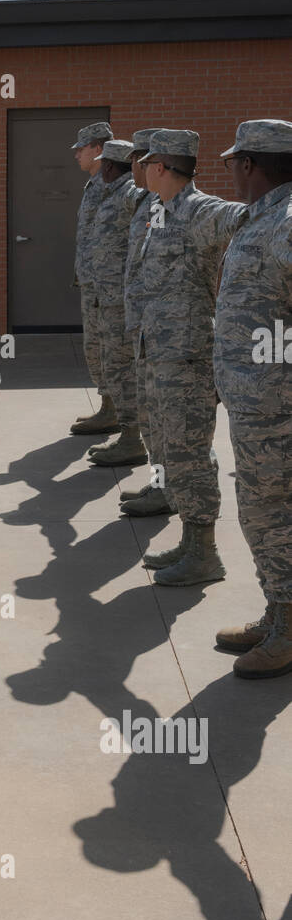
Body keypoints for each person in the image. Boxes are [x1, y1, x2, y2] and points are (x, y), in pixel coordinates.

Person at [135, 129, 246, 586]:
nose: (142, 169)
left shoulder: (200, 210)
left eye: (147, 162)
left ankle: (205, 553)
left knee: (191, 453)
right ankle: (189, 539)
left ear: (161, 167)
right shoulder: (160, 211)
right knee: (172, 451)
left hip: (187, 357)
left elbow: (248, 214)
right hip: (160, 353)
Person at [213, 120, 292, 676]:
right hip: (257, 406)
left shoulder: (285, 223)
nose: (232, 173)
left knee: (276, 515)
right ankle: (279, 611)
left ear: (250, 164)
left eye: (233, 163)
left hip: (278, 410)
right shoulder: (261, 218)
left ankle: (289, 627)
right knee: (263, 513)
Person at [118, 129, 176, 518]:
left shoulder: (184, 208)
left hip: (171, 338)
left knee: (173, 429)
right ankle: (159, 484)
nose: (135, 169)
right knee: (152, 423)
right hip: (145, 332)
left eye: (141, 161)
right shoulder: (147, 202)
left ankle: (171, 492)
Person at [83, 139, 148, 469]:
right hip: (107, 297)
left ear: (109, 165)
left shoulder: (129, 194)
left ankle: (133, 439)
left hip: (121, 301)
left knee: (123, 370)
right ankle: (125, 430)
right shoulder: (112, 193)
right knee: (112, 365)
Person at [70, 121, 119, 435]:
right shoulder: (95, 184)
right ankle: (108, 406)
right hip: (93, 282)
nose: (76, 154)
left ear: (98, 149)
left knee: (108, 348)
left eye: (81, 148)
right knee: (95, 348)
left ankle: (115, 411)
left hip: (108, 284)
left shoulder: (113, 185)